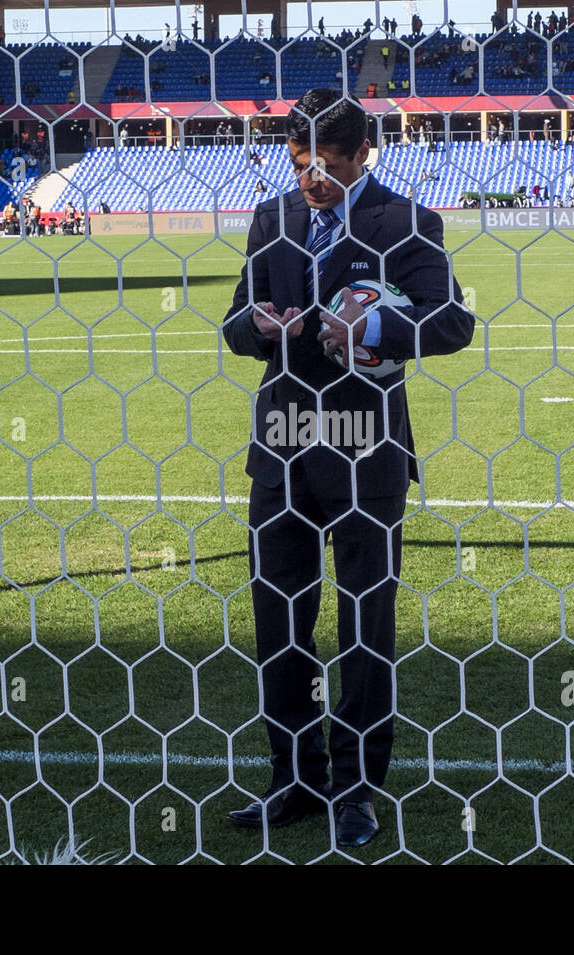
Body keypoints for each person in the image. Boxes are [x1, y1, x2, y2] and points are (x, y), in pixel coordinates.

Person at [221, 88, 475, 849]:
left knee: (365, 628)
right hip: (284, 450)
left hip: (368, 453)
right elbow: (236, 319)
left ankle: (356, 788)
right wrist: (258, 326)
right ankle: (292, 779)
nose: (311, 180)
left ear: (362, 154)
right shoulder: (273, 220)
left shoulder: (404, 222)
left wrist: (374, 325)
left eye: (326, 165)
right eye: (300, 163)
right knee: (281, 625)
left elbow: (453, 320)